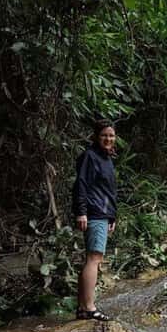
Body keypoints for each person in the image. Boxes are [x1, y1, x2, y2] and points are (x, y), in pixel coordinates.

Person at [72, 120, 117, 321]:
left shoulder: (105, 158)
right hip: (95, 212)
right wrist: (81, 212)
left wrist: (112, 216)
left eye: (111, 136)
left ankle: (82, 307)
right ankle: (90, 307)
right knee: (94, 259)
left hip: (102, 213)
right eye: (104, 135)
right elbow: (81, 185)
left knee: (91, 258)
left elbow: (106, 190)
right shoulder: (90, 157)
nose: (108, 139)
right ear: (96, 137)